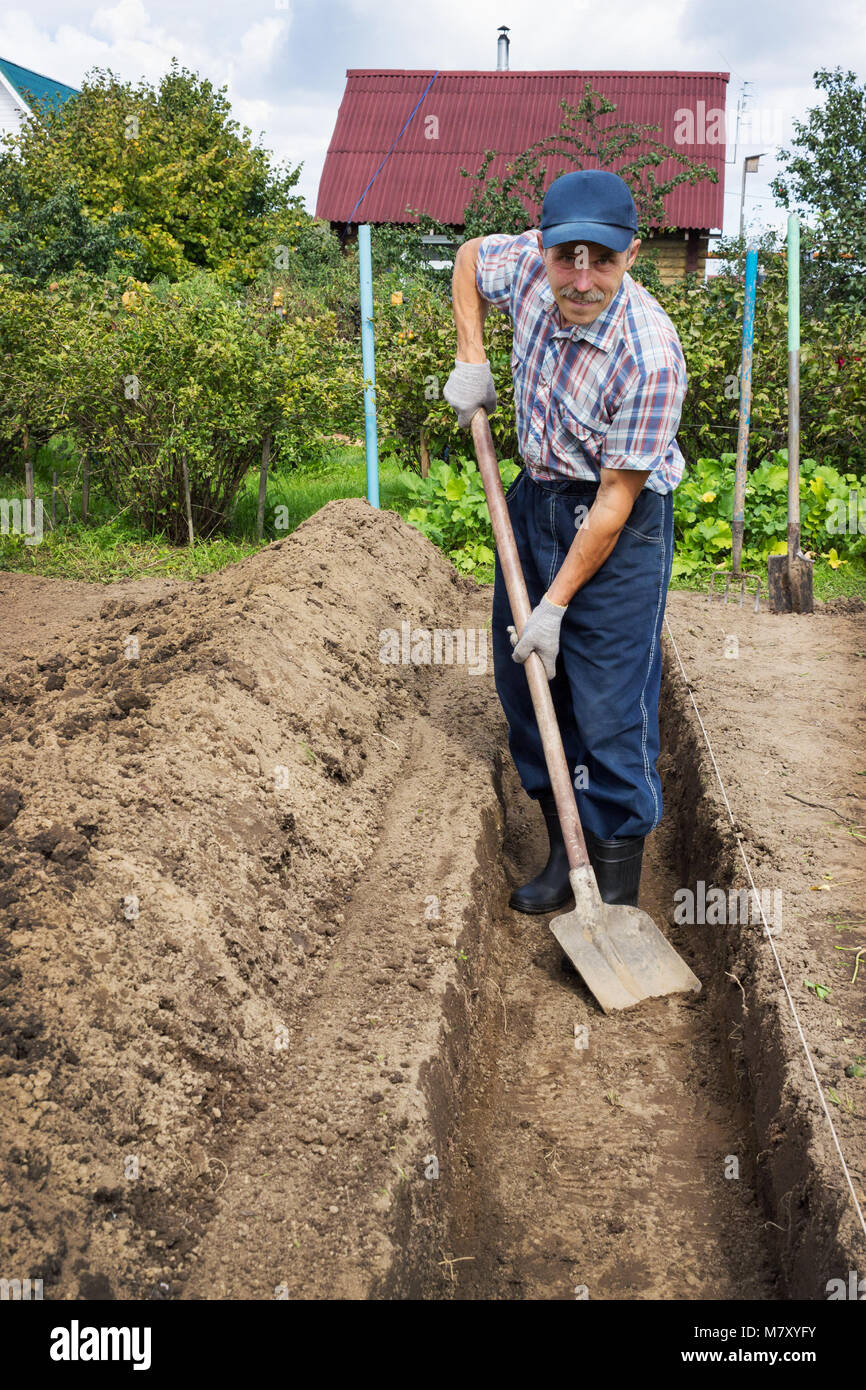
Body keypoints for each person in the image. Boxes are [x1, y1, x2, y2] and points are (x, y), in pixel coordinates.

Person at [443, 169, 687, 925]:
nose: (581, 279)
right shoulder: (522, 263)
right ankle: (563, 854)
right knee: (528, 691)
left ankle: (610, 903)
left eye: (602, 260)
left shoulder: (648, 355)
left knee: (611, 707)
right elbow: (467, 256)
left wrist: (553, 605)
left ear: (632, 254)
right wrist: (472, 358)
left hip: (621, 520)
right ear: (544, 245)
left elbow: (615, 499)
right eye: (566, 256)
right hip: (536, 499)